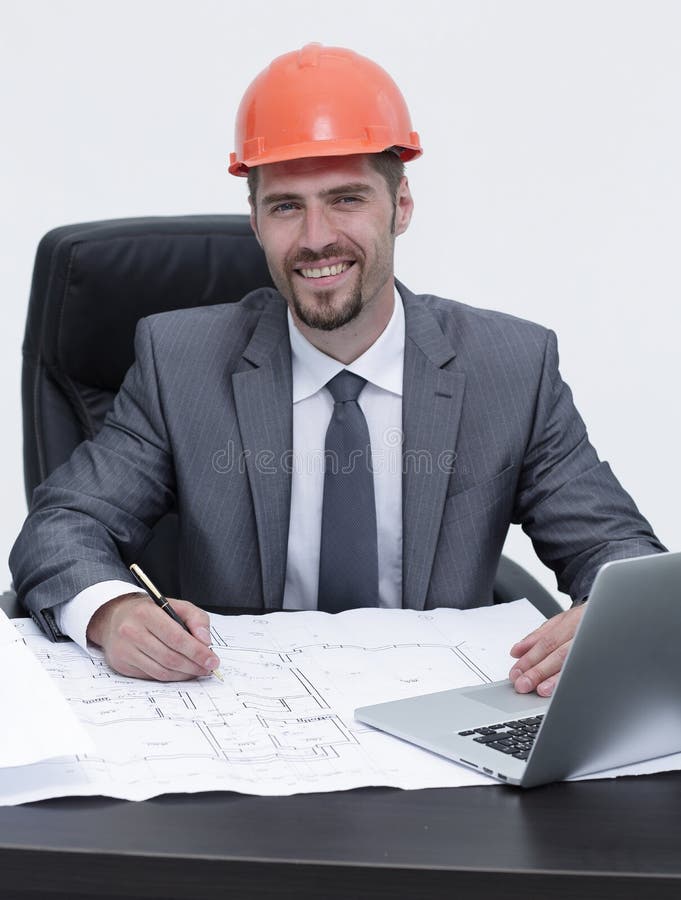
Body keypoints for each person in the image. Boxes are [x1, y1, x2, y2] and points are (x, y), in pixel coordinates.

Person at [10, 44, 664, 693]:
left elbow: (618, 552)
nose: (316, 236)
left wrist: (606, 619)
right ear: (256, 222)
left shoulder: (510, 367)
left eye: (346, 199)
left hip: (437, 713)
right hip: (244, 711)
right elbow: (63, 527)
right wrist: (112, 611)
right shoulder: (179, 362)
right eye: (286, 206)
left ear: (400, 205)